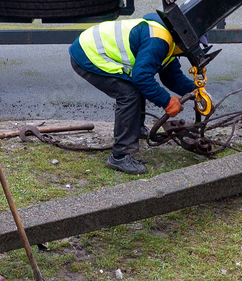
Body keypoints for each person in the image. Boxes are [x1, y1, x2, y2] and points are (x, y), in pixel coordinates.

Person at [69, 14, 204, 175]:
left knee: (136, 88)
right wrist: (167, 101)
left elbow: (172, 77)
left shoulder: (168, 41)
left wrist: (194, 91)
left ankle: (136, 130)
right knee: (129, 95)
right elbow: (142, 78)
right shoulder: (159, 42)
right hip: (88, 54)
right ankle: (119, 156)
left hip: (91, 48)